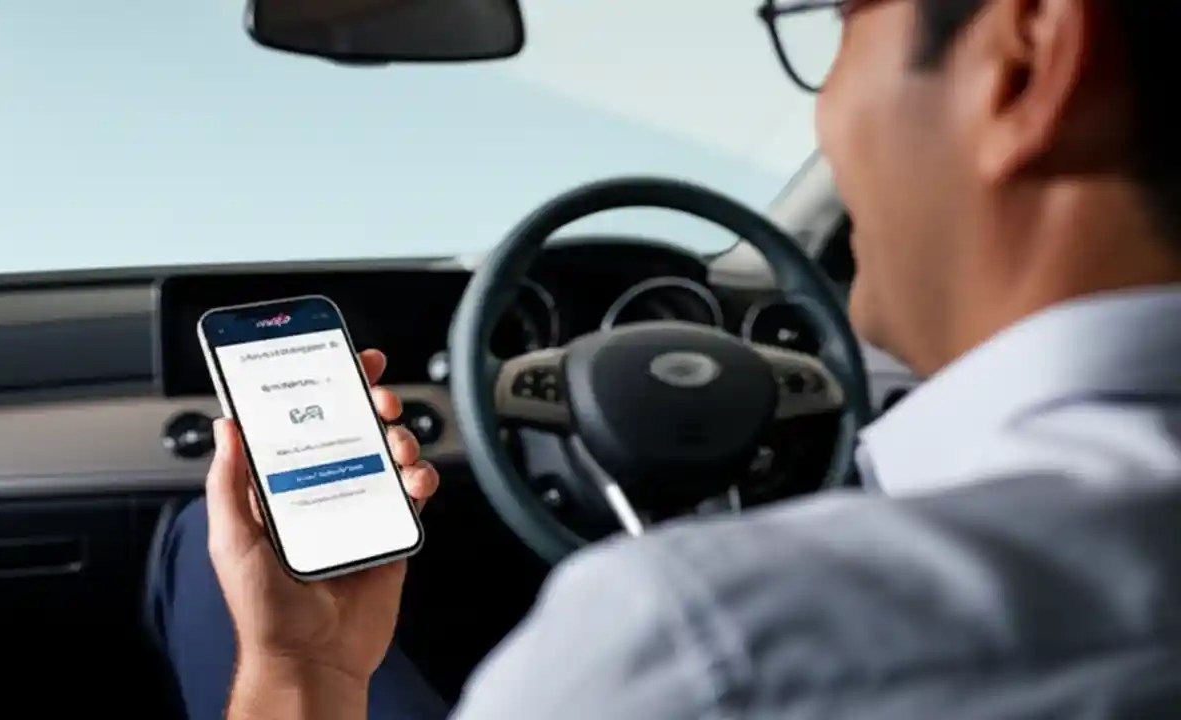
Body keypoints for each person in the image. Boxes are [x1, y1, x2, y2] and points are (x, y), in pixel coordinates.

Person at [149, 0, 1181, 716]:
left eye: (836, 24)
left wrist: (304, 664)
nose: (824, 105)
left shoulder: (700, 644)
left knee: (204, 544)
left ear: (1027, 59)